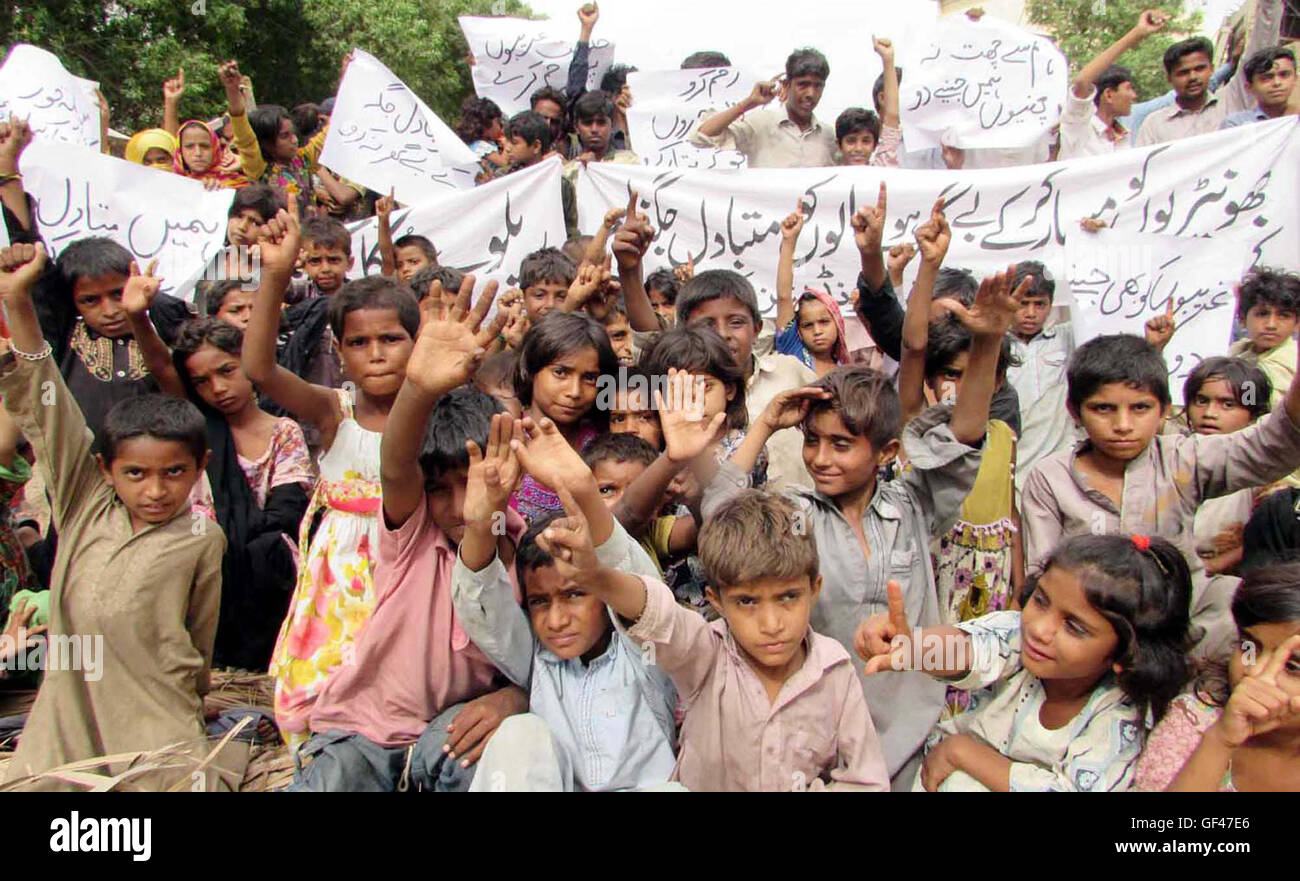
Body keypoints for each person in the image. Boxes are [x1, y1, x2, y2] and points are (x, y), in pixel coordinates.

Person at [683, 267, 1019, 788]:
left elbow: (966, 431)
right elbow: (721, 506)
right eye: (812, 441)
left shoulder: (913, 503)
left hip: (912, 729)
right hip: (820, 737)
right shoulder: (795, 514)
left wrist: (989, 340)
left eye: (841, 445)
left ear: (886, 452)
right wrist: (769, 422)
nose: (820, 458)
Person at [0, 242, 226, 790]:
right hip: (71, 702)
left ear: (201, 467)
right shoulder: (84, 501)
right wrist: (17, 301)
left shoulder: (201, 535)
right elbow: (45, 397)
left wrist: (196, 698)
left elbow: (199, 636)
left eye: (175, 474)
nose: (155, 492)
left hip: (155, 704)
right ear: (105, 469)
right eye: (136, 475)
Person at [289, 284, 525, 792]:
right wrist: (418, 388)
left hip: (448, 730)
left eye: (477, 483)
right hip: (361, 733)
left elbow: (549, 656)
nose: (462, 507)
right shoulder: (413, 530)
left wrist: (517, 699)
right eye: (442, 489)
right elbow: (396, 465)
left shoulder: (528, 549)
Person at [541, 483, 890, 790]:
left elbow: (866, 779)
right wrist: (598, 578)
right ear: (716, 601)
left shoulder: (835, 670)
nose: (771, 623)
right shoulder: (705, 655)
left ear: (814, 590)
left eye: (788, 597)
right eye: (747, 602)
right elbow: (660, 617)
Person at [242, 197, 418, 746]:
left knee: (396, 685)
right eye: (359, 343)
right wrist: (274, 275)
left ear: (417, 344)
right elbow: (260, 368)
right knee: (324, 681)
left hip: (408, 563)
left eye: (391, 339)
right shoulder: (331, 409)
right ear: (339, 353)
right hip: (340, 570)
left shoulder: (433, 408)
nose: (377, 354)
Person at [1019, 331, 1300, 660]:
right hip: (1090, 629)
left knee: (1229, 598)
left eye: (1140, 408)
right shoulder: (1050, 478)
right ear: (1075, 411)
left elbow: (1271, 446)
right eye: (1103, 408)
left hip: (1178, 624)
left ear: (1164, 409)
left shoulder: (1184, 458)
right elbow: (1043, 573)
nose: (1122, 425)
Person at [859, 534, 1193, 792]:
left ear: (1125, 655)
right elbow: (974, 647)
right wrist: (914, 647)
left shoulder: (1117, 717)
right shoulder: (1020, 639)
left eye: (1075, 627)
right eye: (1041, 601)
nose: (1040, 628)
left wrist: (964, 753)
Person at [452, 412, 678, 791]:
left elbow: (639, 587)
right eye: (540, 601)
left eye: (575, 594)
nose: (556, 620)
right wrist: (481, 524)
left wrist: (583, 491)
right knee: (520, 733)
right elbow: (482, 605)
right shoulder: (536, 658)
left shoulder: (647, 650)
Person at [171, 319, 313, 672]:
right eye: (202, 381)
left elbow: (287, 510)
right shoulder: (196, 437)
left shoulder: (283, 432)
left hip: (265, 572)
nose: (218, 388)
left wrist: (237, 541)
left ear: (248, 365)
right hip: (201, 565)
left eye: (227, 371)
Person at [1135, 564, 1300, 791]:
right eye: (1248, 647)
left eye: (1292, 666)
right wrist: (1220, 740)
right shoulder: (1195, 723)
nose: (1254, 672)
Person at [31, 237, 192, 442]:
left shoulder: (166, 326)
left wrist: (138, 316)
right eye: (90, 300)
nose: (109, 311)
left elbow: (176, 392)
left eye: (118, 293)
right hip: (84, 467)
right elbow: (40, 287)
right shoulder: (65, 338)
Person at [675, 269, 816, 490]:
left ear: (757, 329)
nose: (722, 334)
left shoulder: (789, 372)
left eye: (736, 322)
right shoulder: (681, 397)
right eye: (707, 325)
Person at [510, 311, 618, 522]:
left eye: (589, 378)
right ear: (530, 369)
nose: (574, 391)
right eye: (561, 372)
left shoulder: (603, 438)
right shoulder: (504, 439)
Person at [1136, 0, 1284, 146]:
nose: (1193, 77)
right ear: (1169, 78)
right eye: (1183, 72)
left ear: (1212, 69)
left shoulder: (1232, 100)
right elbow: (1141, 167)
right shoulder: (1154, 125)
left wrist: (1269, 4)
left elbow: (1261, 48)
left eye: (1200, 69)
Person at [1182, 358, 1274, 577]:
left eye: (1227, 404)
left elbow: (1267, 535)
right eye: (1201, 401)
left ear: (1252, 415)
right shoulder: (1171, 451)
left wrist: (1213, 566)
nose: (1210, 413)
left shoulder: (1262, 471)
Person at [690, 48, 835, 168]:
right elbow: (701, 137)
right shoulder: (759, 124)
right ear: (786, 85)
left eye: (818, 86)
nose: (811, 94)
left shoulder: (830, 136)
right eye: (803, 85)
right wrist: (749, 103)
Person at [1058, 9, 1170, 160]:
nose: (1134, 95)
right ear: (1109, 94)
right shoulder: (1078, 126)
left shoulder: (1124, 137)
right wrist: (1137, 33)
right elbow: (1082, 81)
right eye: (1129, 88)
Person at [1006, 260, 1076, 489]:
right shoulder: (994, 346)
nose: (1030, 313)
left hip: (1061, 460)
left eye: (1039, 304)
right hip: (1014, 459)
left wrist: (1094, 239)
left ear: (1051, 304)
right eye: (1023, 303)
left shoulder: (1068, 339)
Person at [773, 201, 849, 376]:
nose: (817, 331)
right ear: (798, 330)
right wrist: (789, 241)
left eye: (824, 322)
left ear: (837, 323)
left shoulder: (846, 371)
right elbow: (784, 296)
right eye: (808, 325)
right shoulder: (793, 352)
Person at [1228, 268, 1300, 410]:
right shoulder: (1239, 350)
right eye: (1262, 314)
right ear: (1242, 319)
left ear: (1297, 323)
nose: (1271, 325)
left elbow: (1251, 406)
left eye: (1284, 316)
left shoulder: (1291, 360)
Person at [1221, 47, 1297, 128]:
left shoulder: (1297, 119)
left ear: (1295, 79)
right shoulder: (1237, 124)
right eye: (1266, 78)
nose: (1277, 83)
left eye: (1284, 75)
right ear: (1249, 87)